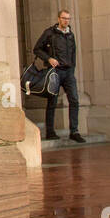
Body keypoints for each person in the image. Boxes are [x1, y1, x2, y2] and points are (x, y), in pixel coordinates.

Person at [33, 10, 84, 142]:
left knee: (74, 100)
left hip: (68, 72)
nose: (66, 21)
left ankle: (74, 131)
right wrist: (49, 58)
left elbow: (73, 53)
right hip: (55, 72)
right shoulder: (49, 33)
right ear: (59, 19)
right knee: (52, 102)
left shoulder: (70, 35)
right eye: (64, 18)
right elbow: (37, 49)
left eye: (68, 19)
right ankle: (50, 131)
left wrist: (72, 69)